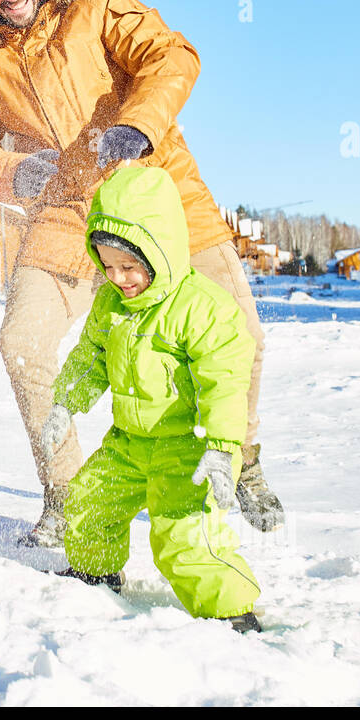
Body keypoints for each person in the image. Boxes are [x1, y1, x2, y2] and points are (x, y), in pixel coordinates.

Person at [0, 0, 284, 545]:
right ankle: (66, 493)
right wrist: (15, 171)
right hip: (68, 209)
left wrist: (140, 124)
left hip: (160, 189)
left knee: (240, 332)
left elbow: (172, 55)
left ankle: (242, 461)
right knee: (23, 343)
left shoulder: (97, 5)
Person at [42, 167, 262, 633]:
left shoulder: (202, 307)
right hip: (129, 439)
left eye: (129, 266)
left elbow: (224, 381)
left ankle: (230, 613)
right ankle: (95, 572)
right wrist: (66, 403)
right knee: (88, 500)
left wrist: (224, 447)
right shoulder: (111, 303)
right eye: (107, 265)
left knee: (183, 535)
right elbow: (92, 357)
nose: (118, 278)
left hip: (186, 447)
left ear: (160, 250)